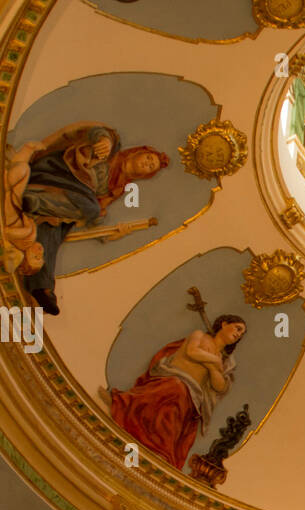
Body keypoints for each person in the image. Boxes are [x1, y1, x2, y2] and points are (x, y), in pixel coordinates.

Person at [9, 123, 169, 314]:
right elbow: (100, 132)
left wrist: (111, 235)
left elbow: (92, 218)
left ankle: (41, 288)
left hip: (64, 203)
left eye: (150, 167)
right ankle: (35, 200)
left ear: (146, 175)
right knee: (90, 209)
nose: (147, 163)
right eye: (149, 158)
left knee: (55, 234)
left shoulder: (118, 189)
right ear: (138, 152)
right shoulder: (113, 151)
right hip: (57, 175)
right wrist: (105, 141)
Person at [102, 314, 246, 471]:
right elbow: (192, 351)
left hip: (191, 393)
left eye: (241, 334)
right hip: (173, 378)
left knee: (181, 398)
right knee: (176, 387)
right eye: (238, 328)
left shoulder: (224, 360)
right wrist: (213, 361)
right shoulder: (200, 336)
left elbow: (220, 386)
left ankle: (159, 450)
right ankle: (123, 404)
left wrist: (214, 365)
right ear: (224, 324)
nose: (238, 334)